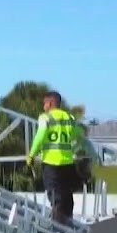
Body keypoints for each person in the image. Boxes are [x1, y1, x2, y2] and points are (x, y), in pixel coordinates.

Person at [26, 91, 88, 225]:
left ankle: (58, 229)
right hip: (67, 163)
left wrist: (31, 155)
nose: (43, 106)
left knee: (56, 198)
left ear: (50, 103)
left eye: (44, 103)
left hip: (51, 163)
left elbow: (40, 137)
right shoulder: (69, 118)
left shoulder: (46, 118)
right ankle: (69, 223)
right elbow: (78, 135)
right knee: (66, 196)